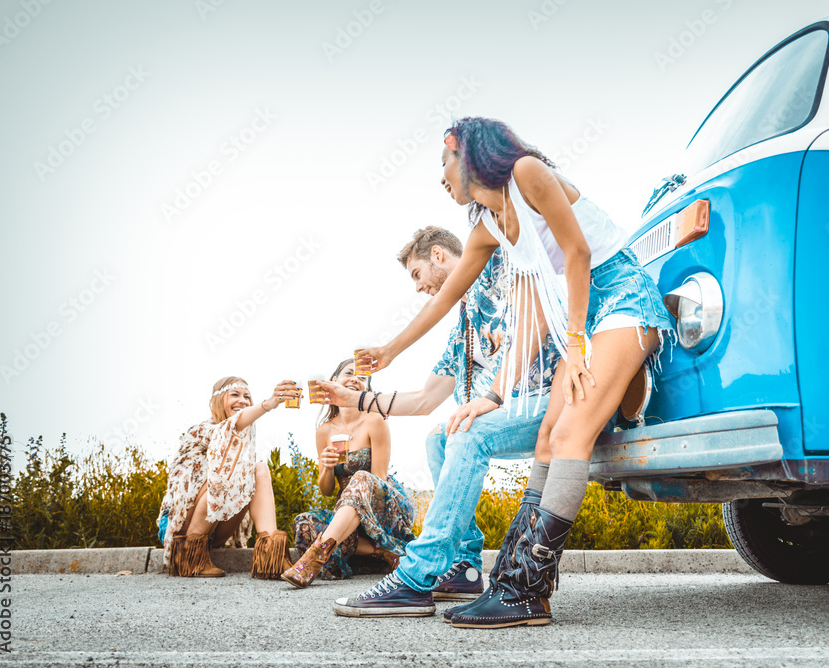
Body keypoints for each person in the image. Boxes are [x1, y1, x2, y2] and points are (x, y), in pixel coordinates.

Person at [353, 117, 674, 628]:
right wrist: (402, 355)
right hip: (582, 316)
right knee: (546, 438)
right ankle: (515, 585)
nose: (441, 176)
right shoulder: (490, 226)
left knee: (570, 434)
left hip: (618, 297)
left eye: (444, 162)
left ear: (470, 154)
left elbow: (579, 252)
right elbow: (455, 297)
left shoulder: (527, 173)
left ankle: (526, 590)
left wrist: (574, 343)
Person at [313, 226, 559, 617]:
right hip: (509, 411)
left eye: (417, 274)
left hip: (546, 401)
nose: (417, 288)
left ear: (440, 257)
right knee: (438, 438)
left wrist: (489, 397)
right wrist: (355, 398)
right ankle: (466, 566)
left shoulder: (499, 270)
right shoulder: (462, 332)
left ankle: (415, 578)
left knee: (468, 431)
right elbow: (426, 399)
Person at [280, 358, 417, 586]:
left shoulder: (375, 421)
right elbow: (326, 491)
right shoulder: (324, 430)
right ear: (334, 381)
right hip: (347, 511)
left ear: (367, 389)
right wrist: (327, 467)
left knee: (362, 477)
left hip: (383, 507)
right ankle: (380, 551)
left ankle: (314, 559)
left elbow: (379, 478)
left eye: (362, 377)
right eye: (349, 373)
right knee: (305, 523)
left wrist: (356, 494)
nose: (355, 379)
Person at [157, 376, 301, 578]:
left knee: (259, 469)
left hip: (216, 529)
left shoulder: (242, 441)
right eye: (235, 395)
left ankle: (272, 557)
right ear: (218, 400)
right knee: (227, 471)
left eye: (247, 396)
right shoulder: (199, 431)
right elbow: (226, 430)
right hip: (183, 531)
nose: (243, 401)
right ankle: (190, 558)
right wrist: (268, 404)